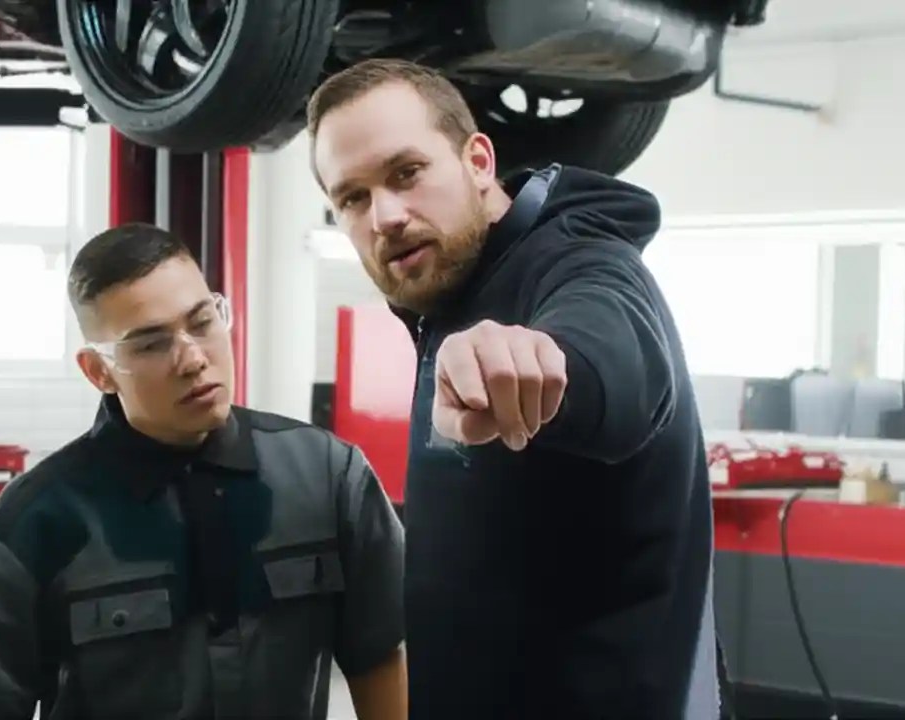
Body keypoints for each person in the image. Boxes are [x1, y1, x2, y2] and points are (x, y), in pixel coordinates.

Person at [307, 58, 719, 719]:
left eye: (407, 172)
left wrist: (544, 362)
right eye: (352, 198)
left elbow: (619, 371)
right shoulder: (448, 296)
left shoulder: (579, 261)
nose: (384, 214)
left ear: (476, 160)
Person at [0, 223, 408, 720]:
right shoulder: (34, 525)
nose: (194, 359)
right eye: (151, 345)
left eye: (203, 322)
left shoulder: (327, 477)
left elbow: (380, 650)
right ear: (99, 370)